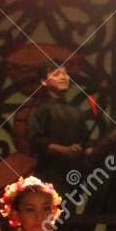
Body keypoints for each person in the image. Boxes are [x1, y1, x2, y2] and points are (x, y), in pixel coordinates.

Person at [25, 64, 101, 196]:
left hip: (73, 176)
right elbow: (35, 141)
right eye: (56, 74)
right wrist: (65, 150)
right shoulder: (40, 109)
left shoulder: (75, 110)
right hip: (49, 175)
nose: (63, 77)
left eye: (65, 73)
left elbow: (86, 142)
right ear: (43, 81)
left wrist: (90, 151)